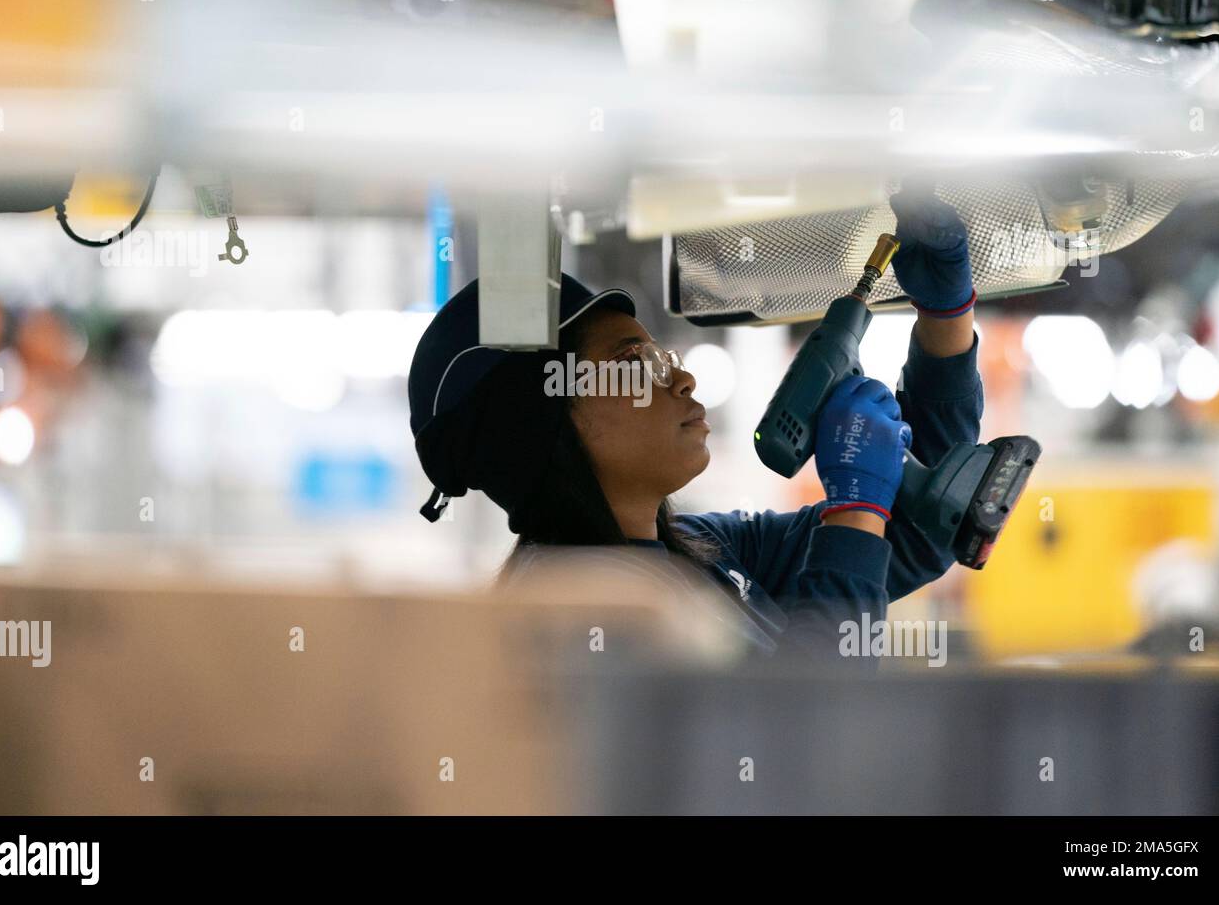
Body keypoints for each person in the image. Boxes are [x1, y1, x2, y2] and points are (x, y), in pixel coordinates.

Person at [407, 190, 983, 661]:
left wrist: (945, 322)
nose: (680, 380)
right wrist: (856, 507)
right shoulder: (574, 616)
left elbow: (921, 524)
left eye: (663, 357)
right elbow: (805, 736)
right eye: (634, 364)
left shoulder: (702, 553)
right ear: (542, 424)